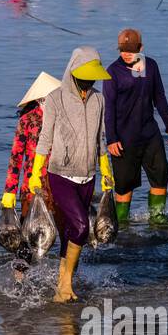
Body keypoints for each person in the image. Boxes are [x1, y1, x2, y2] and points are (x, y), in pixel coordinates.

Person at [28, 47, 113, 302]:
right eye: (85, 76)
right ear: (73, 73)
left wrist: (106, 170)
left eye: (93, 77)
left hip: (89, 175)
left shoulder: (99, 100)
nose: (90, 81)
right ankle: (64, 286)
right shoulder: (55, 98)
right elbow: (45, 139)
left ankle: (63, 285)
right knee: (81, 226)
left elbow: (101, 138)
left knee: (70, 231)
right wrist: (35, 174)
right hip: (60, 174)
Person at [103, 28, 168, 227]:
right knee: (124, 185)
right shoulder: (112, 72)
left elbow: (159, 96)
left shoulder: (150, 66)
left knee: (161, 175)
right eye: (123, 50)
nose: (126, 53)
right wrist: (111, 139)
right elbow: (108, 109)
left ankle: (157, 221)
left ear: (140, 48)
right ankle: (122, 226)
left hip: (149, 133)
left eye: (131, 49)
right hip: (123, 139)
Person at [0, 71, 60, 268]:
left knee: (57, 234)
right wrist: (9, 192)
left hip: (58, 183)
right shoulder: (28, 119)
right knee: (27, 238)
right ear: (42, 98)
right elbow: (16, 158)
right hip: (31, 188)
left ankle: (61, 278)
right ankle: (20, 279)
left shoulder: (62, 118)